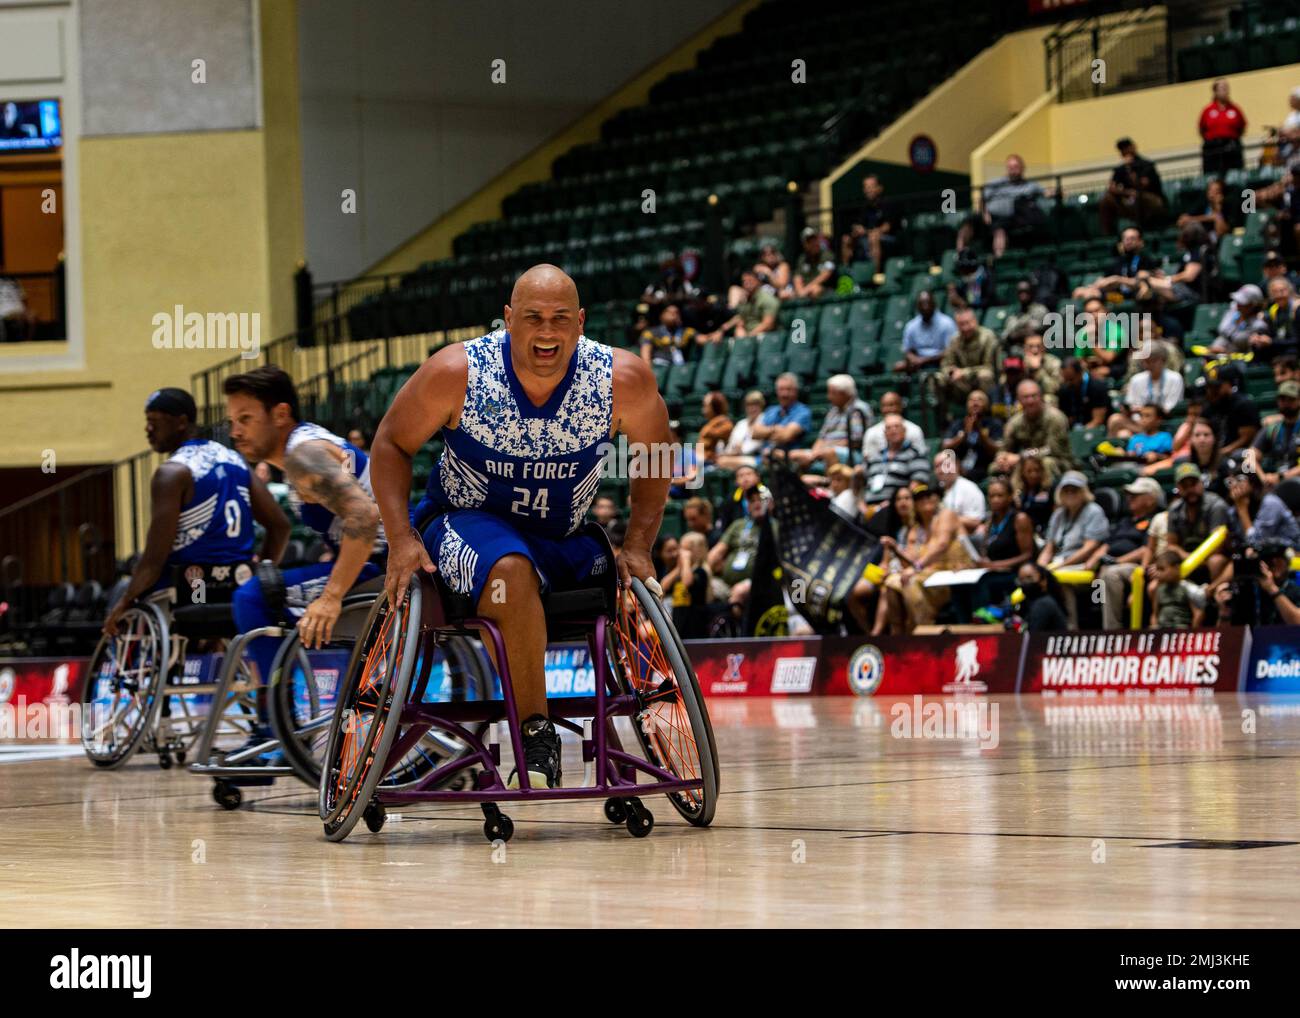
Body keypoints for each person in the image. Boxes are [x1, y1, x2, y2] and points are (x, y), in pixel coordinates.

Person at [368, 264, 672, 790]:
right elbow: (391, 444)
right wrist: (399, 540)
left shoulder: (621, 380)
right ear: (509, 319)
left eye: (559, 319)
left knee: (602, 575)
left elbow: (658, 453)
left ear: (580, 323)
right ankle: (535, 727)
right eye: (533, 318)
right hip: (464, 523)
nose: (547, 332)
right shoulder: (457, 372)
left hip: (561, 535)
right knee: (511, 568)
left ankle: (621, 726)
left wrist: (640, 546)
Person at [225, 367, 386, 691]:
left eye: (245, 419)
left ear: (281, 413)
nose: (235, 432)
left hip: (386, 565)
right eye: (232, 422)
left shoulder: (304, 455)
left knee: (252, 598)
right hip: (377, 558)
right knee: (267, 590)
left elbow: (363, 517)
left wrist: (331, 597)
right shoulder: (305, 447)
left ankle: (273, 722)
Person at [102, 388, 290, 636]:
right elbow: (280, 526)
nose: (148, 429)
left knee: (131, 584)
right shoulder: (235, 460)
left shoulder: (173, 472)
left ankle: (132, 667)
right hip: (236, 585)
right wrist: (261, 573)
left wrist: (124, 602)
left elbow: (154, 558)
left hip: (190, 587)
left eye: (153, 422)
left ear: (181, 422)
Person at [871, 480, 970, 634]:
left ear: (936, 499)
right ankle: (897, 634)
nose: (925, 501)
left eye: (929, 496)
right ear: (915, 505)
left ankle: (923, 630)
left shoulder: (946, 515)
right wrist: (896, 549)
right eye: (920, 498)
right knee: (891, 583)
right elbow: (911, 560)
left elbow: (941, 545)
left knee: (910, 582)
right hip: (929, 574)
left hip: (953, 573)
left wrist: (915, 568)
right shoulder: (916, 529)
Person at [1038, 471, 1109, 626]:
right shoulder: (1058, 514)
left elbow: (1090, 547)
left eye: (1075, 490)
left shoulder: (1093, 511)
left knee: (1060, 583)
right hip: (1058, 564)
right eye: (1066, 490)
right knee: (1034, 582)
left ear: (1084, 492)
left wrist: (1062, 566)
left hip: (1082, 565)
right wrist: (1039, 569)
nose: (1070, 494)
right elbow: (1049, 548)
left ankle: (1070, 631)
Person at [1094, 476, 1163, 630]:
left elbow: (1146, 550)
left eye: (1135, 495)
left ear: (1151, 499)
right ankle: (1072, 629)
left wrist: (1116, 561)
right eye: (1129, 495)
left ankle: (1112, 632)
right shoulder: (1125, 521)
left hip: (1135, 567)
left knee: (1110, 575)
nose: (1129, 499)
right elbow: (1107, 544)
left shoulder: (1156, 519)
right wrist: (1094, 559)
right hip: (1109, 564)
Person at [958, 154, 1044, 257]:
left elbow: (1046, 193)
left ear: (1022, 168)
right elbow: (982, 200)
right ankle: (960, 255)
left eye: (1016, 167)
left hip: (1005, 218)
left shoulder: (1030, 185)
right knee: (967, 225)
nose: (1013, 170)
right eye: (1010, 167)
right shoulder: (996, 183)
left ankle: (998, 259)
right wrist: (984, 214)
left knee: (1000, 231)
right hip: (987, 215)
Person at [970, 476, 1036, 610]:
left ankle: (986, 622)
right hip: (994, 570)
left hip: (1015, 572)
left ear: (1010, 497)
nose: (995, 500)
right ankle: (964, 626)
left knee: (984, 583)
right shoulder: (990, 521)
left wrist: (996, 565)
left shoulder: (1020, 519)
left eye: (1000, 495)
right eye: (992, 496)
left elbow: (1027, 555)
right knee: (962, 585)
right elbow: (987, 551)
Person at [788, 374, 871, 475]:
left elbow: (854, 441)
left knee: (830, 453)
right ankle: (806, 488)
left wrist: (823, 451)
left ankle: (830, 487)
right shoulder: (833, 411)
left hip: (852, 453)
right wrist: (814, 453)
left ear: (844, 393)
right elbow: (821, 438)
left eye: (832, 393)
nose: (829, 397)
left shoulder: (858, 409)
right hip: (825, 451)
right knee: (793, 455)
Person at [994, 379, 1073, 481]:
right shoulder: (1014, 422)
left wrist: (1021, 457)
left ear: (1041, 397)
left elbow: (1052, 450)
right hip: (1026, 462)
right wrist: (1002, 458)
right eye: (1025, 397)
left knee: (1046, 463)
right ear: (1018, 400)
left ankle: (1046, 494)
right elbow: (1004, 447)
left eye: (1034, 396)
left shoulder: (1055, 418)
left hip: (1058, 461)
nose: (1030, 401)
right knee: (995, 467)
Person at [1225, 458, 1300, 552]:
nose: (1234, 485)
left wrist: (1242, 511)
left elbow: (1257, 544)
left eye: (1240, 479)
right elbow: (1237, 541)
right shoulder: (1233, 510)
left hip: (1289, 553)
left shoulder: (1270, 504)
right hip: (1264, 554)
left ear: (1252, 483)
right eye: (1230, 481)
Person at [1136, 222, 1216, 306]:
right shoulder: (1192, 252)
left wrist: (1169, 279)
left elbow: (1189, 276)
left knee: (1148, 282)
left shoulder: (1200, 251)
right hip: (1181, 288)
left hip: (1192, 292)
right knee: (1144, 280)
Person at [862, 414, 931, 511]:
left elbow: (917, 484)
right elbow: (863, 483)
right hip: (868, 509)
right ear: (885, 433)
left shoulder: (915, 454)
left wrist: (895, 503)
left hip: (894, 509)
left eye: (896, 426)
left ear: (904, 430)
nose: (893, 430)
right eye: (889, 428)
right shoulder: (875, 457)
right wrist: (863, 507)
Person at [1099, 138, 1166, 235]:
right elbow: (1112, 187)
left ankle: (1143, 232)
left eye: (1126, 148)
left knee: (1139, 198)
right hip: (1128, 199)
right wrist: (1127, 193)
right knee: (1106, 200)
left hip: (1150, 200)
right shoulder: (1120, 169)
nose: (1124, 152)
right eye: (1122, 150)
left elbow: (1141, 185)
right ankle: (1108, 236)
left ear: (1133, 147)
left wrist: (1129, 169)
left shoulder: (1147, 165)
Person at [937, 307, 999, 412]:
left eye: (968, 323)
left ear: (975, 321)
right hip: (962, 384)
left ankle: (987, 411)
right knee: (938, 378)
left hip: (980, 379)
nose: (965, 328)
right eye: (961, 324)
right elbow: (946, 364)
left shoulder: (988, 337)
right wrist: (950, 372)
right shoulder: (955, 339)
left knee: (985, 375)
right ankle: (945, 416)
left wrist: (964, 373)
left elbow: (989, 367)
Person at [1074, 226, 1158, 301]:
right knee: (1080, 292)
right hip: (1119, 298)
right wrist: (1093, 287)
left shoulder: (1147, 260)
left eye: (1132, 239)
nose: (1128, 242)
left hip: (1137, 297)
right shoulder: (1117, 262)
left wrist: (1117, 280)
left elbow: (1149, 281)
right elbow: (1104, 280)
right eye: (1125, 239)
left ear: (1140, 242)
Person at [840, 174, 900, 272]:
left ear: (879, 188)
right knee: (846, 239)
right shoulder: (865, 207)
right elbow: (860, 226)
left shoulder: (888, 203)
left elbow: (887, 227)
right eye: (866, 187)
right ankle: (846, 272)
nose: (868, 190)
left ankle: (874, 273)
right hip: (867, 237)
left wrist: (867, 232)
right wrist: (856, 231)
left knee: (873, 237)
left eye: (871, 186)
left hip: (889, 239)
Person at [941, 388, 1002, 483]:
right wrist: (964, 434)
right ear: (966, 404)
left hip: (984, 468)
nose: (975, 403)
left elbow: (997, 449)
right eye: (972, 400)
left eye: (980, 400)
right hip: (960, 468)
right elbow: (946, 446)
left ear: (987, 405)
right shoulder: (958, 424)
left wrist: (981, 433)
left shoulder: (994, 424)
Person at [701, 270, 778, 342]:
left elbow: (768, 325)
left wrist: (748, 337)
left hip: (764, 336)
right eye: (744, 281)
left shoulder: (767, 299)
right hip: (748, 336)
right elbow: (739, 318)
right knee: (737, 332)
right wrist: (721, 330)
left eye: (750, 281)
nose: (747, 284)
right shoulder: (746, 300)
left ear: (758, 281)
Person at [661, 532, 713, 640]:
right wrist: (679, 568)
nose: (680, 553)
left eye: (685, 549)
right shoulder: (680, 571)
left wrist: (685, 561)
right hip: (679, 619)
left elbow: (687, 582)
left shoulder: (701, 571)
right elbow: (663, 587)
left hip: (694, 623)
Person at [1202, 361, 1260, 456]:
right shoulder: (1209, 405)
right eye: (1209, 387)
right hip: (1216, 453)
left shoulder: (1243, 404)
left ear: (1230, 385)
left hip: (1240, 452)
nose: (1211, 391)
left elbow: (1246, 439)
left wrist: (1221, 453)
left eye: (1216, 387)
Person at [894, 290, 955, 374]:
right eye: (921, 304)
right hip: (917, 362)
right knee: (898, 367)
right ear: (917, 307)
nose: (925, 307)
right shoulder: (911, 325)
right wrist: (913, 359)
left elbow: (950, 351)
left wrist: (925, 360)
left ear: (934, 304)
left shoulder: (947, 323)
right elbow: (908, 350)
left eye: (927, 303)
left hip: (939, 361)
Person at [752, 372, 812, 456]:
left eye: (788, 389)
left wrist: (765, 433)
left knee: (745, 469)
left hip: (787, 459)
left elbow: (785, 436)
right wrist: (774, 429)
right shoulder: (771, 410)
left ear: (796, 391)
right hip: (763, 457)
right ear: (776, 391)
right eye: (781, 389)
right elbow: (755, 433)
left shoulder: (803, 411)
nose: (784, 394)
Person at [1252, 379, 1300, 485]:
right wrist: (1263, 477)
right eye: (1282, 399)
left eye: (1291, 399)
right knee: (1243, 469)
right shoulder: (1272, 428)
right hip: (1274, 480)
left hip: (1295, 479)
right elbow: (1251, 455)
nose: (1286, 403)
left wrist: (1282, 477)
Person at [1121, 341, 1183, 418]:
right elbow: (1131, 406)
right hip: (1140, 421)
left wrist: (1146, 412)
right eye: (1146, 361)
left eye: (1153, 361)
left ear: (1163, 360)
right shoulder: (1136, 380)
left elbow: (1170, 408)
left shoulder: (1175, 378)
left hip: (1164, 420)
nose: (1148, 365)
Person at [1199, 79, 1247, 177]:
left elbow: (1242, 126)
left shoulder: (1235, 109)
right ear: (1215, 91)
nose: (1225, 91)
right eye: (1222, 88)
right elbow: (1202, 129)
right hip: (1213, 149)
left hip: (1231, 147)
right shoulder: (1208, 110)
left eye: (1227, 88)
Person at [933, 449, 986, 533]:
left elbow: (975, 521)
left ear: (956, 465)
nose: (941, 470)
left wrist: (946, 518)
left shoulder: (968, 488)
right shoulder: (935, 491)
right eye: (937, 466)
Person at [1151, 549, 1206, 628]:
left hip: (1181, 629)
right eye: (1157, 570)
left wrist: (1192, 632)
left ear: (1176, 568)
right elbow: (1154, 614)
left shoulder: (1187, 587)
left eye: (1162, 569)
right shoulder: (1159, 589)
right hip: (1162, 631)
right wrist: (1155, 628)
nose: (1159, 574)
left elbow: (1198, 613)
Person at [862, 391, 925, 459]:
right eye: (885, 405)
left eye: (892, 405)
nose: (889, 409)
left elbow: (921, 455)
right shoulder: (871, 432)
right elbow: (867, 458)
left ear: (900, 406)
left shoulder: (914, 430)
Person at [1209, 284, 1270, 354]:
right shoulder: (1233, 311)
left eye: (1242, 303)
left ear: (1253, 305)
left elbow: (1238, 341)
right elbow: (1222, 329)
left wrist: (1224, 351)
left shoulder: (1259, 325)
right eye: (1238, 301)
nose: (1238, 305)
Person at [715, 390, 765, 470]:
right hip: (736, 457)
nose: (752, 408)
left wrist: (739, 450)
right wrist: (728, 452)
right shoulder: (741, 423)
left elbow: (754, 446)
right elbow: (732, 443)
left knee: (722, 461)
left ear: (761, 405)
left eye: (755, 405)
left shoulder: (765, 421)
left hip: (757, 458)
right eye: (749, 405)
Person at [1057, 357, 1110, 429]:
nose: (1068, 383)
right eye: (1065, 379)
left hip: (1094, 429)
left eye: (1071, 379)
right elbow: (1065, 417)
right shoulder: (1064, 389)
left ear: (1080, 373)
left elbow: (1098, 420)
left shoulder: (1097, 387)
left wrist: (1080, 433)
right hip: (1074, 428)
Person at [1016, 562, 1069, 631]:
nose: (1025, 583)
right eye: (1021, 580)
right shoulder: (1028, 603)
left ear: (1043, 581)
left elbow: (1032, 636)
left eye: (1029, 578)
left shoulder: (1043, 604)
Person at [1257, 542, 1300, 624]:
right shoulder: (1253, 589)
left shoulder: (1296, 591)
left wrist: (1272, 589)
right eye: (1269, 559)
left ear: (1287, 562)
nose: (1274, 562)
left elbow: (1298, 622)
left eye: (1279, 558)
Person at [1011, 454, 1054, 533]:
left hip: (1045, 531)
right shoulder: (1018, 492)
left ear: (1042, 470)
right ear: (1022, 472)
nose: (1034, 475)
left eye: (1037, 470)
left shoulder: (1050, 489)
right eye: (1029, 471)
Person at [792, 227, 836, 299]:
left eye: (815, 239)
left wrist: (806, 290)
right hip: (805, 290)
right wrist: (799, 291)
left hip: (827, 290)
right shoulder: (802, 258)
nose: (813, 243)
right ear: (804, 244)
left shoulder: (827, 255)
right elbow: (797, 277)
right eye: (809, 241)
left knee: (815, 290)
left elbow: (826, 274)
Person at [697, 391, 734, 465]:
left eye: (706, 406)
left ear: (716, 406)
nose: (703, 409)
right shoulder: (711, 422)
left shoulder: (725, 422)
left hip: (709, 459)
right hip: (699, 456)